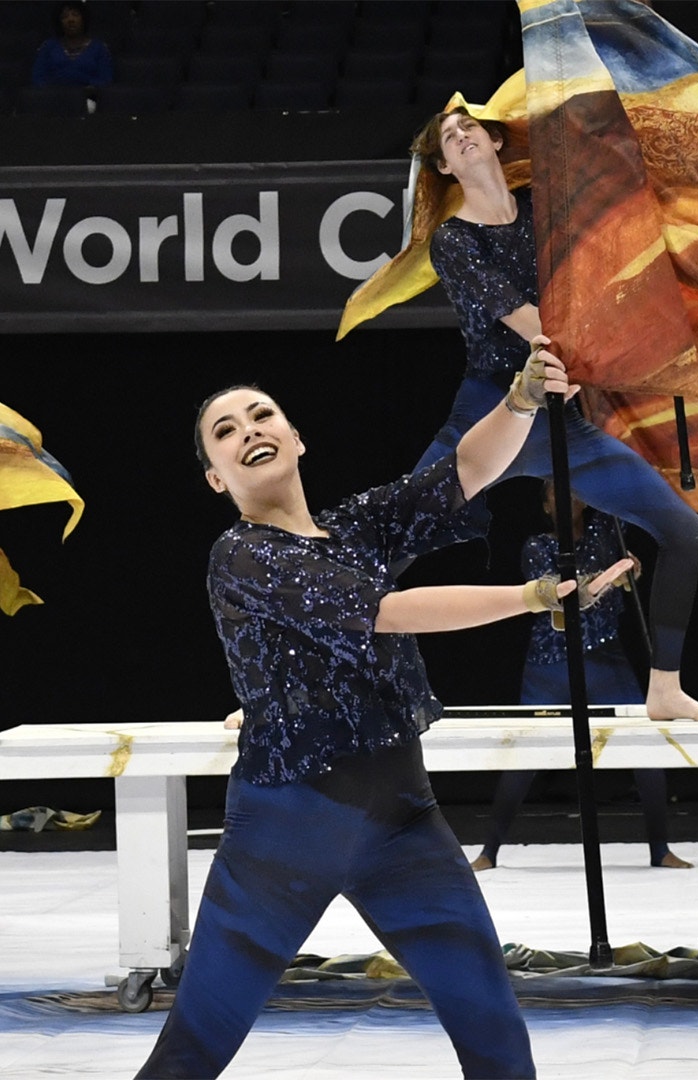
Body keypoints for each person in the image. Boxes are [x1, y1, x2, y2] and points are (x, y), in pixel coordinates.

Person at [140, 347, 628, 1078]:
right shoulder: (240, 554)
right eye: (226, 431)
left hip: (403, 820)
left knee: (494, 1031)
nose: (249, 430)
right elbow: (387, 613)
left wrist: (521, 401)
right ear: (217, 477)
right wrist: (529, 598)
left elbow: (461, 476)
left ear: (298, 437)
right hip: (286, 834)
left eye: (262, 414)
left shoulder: (353, 532)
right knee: (195, 1049)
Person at [407, 106, 698, 722]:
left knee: (686, 532)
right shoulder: (455, 240)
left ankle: (664, 688)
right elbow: (533, 327)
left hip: (559, 423)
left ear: (495, 139)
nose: (462, 136)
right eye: (448, 138)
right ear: (444, 166)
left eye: (469, 127)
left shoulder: (547, 217)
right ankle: (292, 689)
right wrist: (608, 350)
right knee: (387, 542)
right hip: (487, 415)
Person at [471, 483, 691, 872]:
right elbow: (558, 596)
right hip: (549, 663)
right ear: (544, 504)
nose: (566, 498)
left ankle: (660, 847)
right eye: (556, 493)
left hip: (606, 659)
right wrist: (606, 579)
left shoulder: (607, 531)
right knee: (523, 756)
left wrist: (630, 571)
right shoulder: (536, 546)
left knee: (645, 748)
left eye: (573, 492)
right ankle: (489, 851)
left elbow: (624, 508)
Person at [30, 1, 112, 92]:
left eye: (75, 15)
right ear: (59, 22)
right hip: (52, 98)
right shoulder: (48, 46)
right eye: (65, 17)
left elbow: (105, 80)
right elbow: (37, 79)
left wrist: (83, 88)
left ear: (83, 19)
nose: (70, 20)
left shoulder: (99, 48)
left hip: (89, 100)